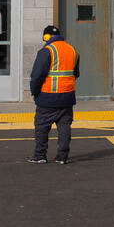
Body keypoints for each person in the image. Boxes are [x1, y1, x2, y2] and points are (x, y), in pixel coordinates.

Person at [28, 25, 79, 164]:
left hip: (48, 97)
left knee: (42, 126)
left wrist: (35, 92)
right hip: (67, 97)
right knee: (64, 127)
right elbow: (76, 74)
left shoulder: (46, 51)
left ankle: (40, 155)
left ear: (46, 37)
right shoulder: (73, 50)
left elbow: (37, 76)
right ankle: (62, 157)